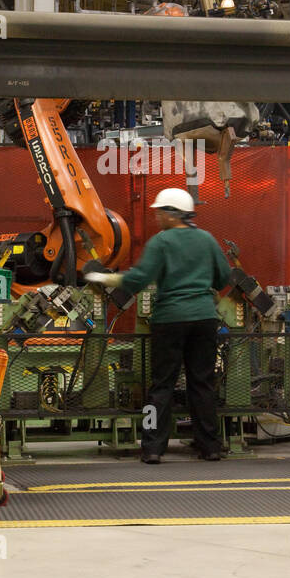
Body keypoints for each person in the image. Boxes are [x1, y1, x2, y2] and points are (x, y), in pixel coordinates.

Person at [86, 188, 231, 464]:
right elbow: (223, 277)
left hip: (170, 320)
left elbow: (139, 280)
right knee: (202, 383)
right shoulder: (207, 240)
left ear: (172, 214)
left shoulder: (161, 243)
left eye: (160, 211)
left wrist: (104, 279)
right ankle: (210, 446)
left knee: (162, 384)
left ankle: (153, 447)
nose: (156, 216)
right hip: (204, 318)